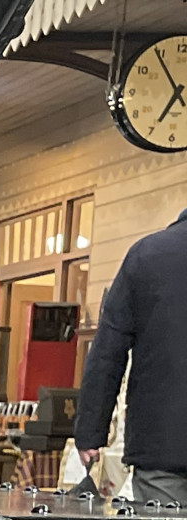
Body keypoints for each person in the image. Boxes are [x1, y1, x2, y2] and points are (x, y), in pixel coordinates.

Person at [75, 207, 187, 504]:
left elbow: (108, 351)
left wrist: (90, 431)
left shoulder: (147, 255)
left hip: (163, 445)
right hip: (161, 444)